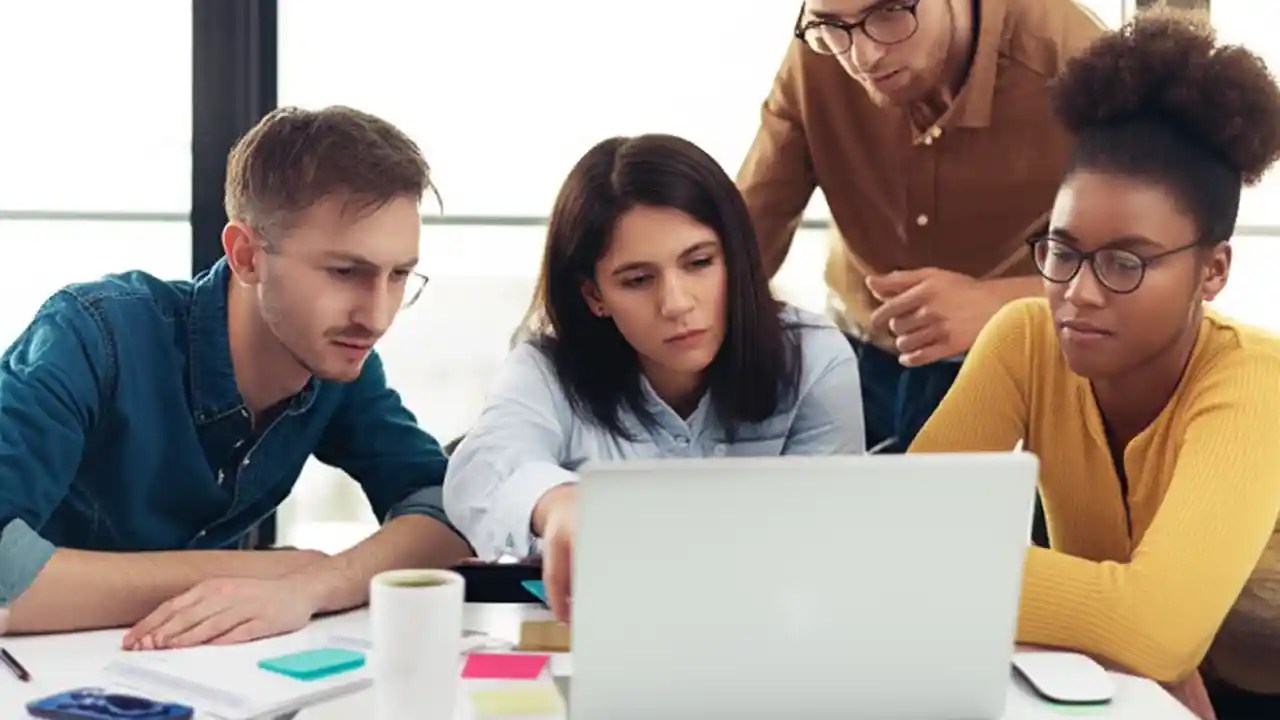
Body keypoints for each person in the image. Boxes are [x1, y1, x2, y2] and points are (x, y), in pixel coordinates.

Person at [909, 11, 1280, 718]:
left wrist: (1138, 634)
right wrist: (1123, 634)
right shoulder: (1024, 338)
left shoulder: (1257, 380)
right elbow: (903, 531)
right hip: (1116, 682)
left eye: (1124, 263)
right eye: (1063, 249)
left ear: (1213, 271)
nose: (1076, 292)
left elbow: (1159, 627)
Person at [0, 106, 471, 647]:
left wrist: (315, 585)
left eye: (399, 275)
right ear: (247, 256)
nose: (378, 316)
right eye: (345, 272)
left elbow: (443, 507)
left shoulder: (340, 363)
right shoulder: (93, 335)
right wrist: (254, 573)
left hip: (191, 677)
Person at [443, 134, 865, 621]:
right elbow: (481, 467)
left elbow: (827, 537)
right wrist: (560, 502)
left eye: (700, 263)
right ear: (594, 295)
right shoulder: (546, 369)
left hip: (774, 637)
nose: (677, 303)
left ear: (736, 258)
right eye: (638, 280)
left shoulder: (814, 359)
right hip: (600, 644)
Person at [738, 0, 1106, 455]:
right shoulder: (817, 53)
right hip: (853, 355)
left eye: (890, 11)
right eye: (832, 26)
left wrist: (1001, 304)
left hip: (1016, 361)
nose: (863, 56)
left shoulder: (1078, 61)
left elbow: (1157, 265)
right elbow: (745, 237)